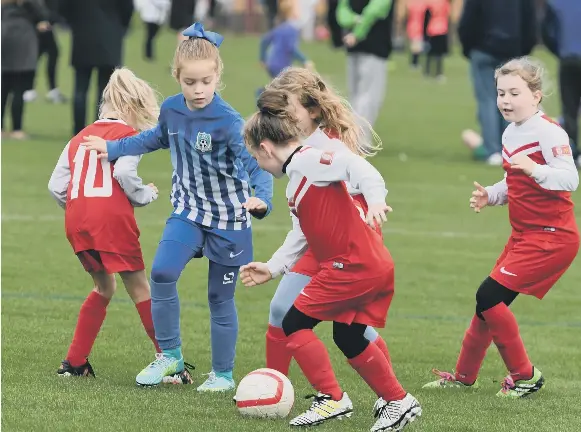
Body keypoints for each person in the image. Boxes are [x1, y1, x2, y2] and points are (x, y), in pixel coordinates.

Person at [81, 23, 274, 391]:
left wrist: (262, 199)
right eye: (190, 82)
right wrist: (113, 148)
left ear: (217, 75)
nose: (198, 89)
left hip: (229, 220)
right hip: (188, 211)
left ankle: (222, 375)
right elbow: (155, 138)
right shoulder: (171, 109)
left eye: (206, 81)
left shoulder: (230, 122)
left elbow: (256, 167)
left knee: (219, 298)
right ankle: (170, 355)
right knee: (162, 272)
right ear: (177, 77)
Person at [240, 95, 421, 430]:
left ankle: (332, 399)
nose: (259, 165)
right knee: (348, 336)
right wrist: (273, 267)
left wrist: (376, 199)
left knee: (294, 323)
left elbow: (358, 167)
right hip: (366, 264)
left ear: (265, 148)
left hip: (351, 266)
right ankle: (397, 401)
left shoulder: (308, 160)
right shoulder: (296, 179)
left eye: (255, 158)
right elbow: (300, 234)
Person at [423, 57, 579, 397]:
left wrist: (536, 169)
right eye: (500, 93)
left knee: (488, 296)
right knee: (487, 305)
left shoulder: (550, 131)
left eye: (514, 93)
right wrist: (492, 195)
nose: (505, 100)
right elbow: (513, 180)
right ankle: (464, 377)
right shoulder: (511, 132)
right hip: (524, 235)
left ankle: (526, 376)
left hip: (552, 237)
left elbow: (570, 178)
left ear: (536, 96)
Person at [256, 68, 392, 377]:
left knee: (348, 324)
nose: (281, 119)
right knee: (283, 309)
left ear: (313, 110)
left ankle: (387, 390)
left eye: (288, 110)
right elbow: (302, 222)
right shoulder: (297, 151)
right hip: (321, 240)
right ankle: (273, 384)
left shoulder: (328, 149)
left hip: (350, 240)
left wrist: (375, 200)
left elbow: (363, 173)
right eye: (277, 111)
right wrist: (275, 266)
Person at [47, 68, 167, 378]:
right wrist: (145, 194)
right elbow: (124, 173)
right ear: (131, 106)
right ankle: (169, 362)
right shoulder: (129, 136)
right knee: (140, 288)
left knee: (104, 286)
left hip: (77, 221)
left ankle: (74, 363)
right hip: (110, 222)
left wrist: (81, 204)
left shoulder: (78, 138)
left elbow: (56, 186)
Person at [458, 0, 537, 165]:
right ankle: (509, 148)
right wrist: (523, 49)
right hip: (512, 50)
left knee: (487, 99)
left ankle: (492, 149)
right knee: (510, 99)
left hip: (483, 48)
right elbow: (530, 22)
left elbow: (467, 20)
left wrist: (468, 48)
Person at [59, 0, 134, 135]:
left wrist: (75, 22)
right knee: (105, 91)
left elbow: (64, 7)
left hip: (82, 36)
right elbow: (127, 8)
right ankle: (99, 129)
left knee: (80, 89)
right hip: (110, 36)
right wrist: (121, 26)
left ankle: (78, 130)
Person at [336, 0, 395, 128]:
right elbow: (374, 11)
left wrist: (354, 20)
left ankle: (350, 133)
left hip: (353, 48)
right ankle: (359, 136)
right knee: (369, 96)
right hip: (375, 47)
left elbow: (342, 12)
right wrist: (358, 33)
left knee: (355, 95)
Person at [1, 0, 50, 140]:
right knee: (18, 89)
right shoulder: (29, 5)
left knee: (3, 89)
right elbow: (42, 15)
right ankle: (17, 129)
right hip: (23, 40)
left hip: (4, 37)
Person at [541, 0, 581, 166]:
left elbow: (546, 31)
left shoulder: (556, 3)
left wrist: (559, 50)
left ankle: (573, 151)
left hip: (568, 58)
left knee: (569, 108)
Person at [257, 0, 313, 99]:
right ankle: (260, 96)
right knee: (286, 93)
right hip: (282, 66)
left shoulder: (279, 28)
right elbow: (291, 49)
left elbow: (264, 41)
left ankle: (262, 96)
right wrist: (305, 60)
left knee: (278, 89)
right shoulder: (292, 29)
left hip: (272, 64)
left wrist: (263, 58)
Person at [424, 0, 449, 82]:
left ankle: (427, 71)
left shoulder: (430, 3)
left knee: (430, 52)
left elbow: (426, 16)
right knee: (439, 53)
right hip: (442, 28)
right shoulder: (444, 2)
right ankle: (438, 73)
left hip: (432, 28)